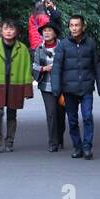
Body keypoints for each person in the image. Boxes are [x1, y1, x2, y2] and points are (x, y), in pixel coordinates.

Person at [54, 13, 100, 159]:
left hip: (86, 88)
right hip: (68, 90)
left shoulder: (91, 44)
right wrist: (56, 88)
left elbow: (98, 66)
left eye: (77, 25)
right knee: (72, 120)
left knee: (88, 116)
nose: (74, 28)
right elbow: (57, 68)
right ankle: (77, 147)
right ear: (69, 27)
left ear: (83, 27)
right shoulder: (63, 45)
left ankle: (87, 147)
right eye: (72, 25)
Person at [0, 18, 34, 152]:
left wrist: (27, 89)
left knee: (12, 114)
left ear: (16, 31)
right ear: (1, 31)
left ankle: (9, 141)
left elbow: (27, 69)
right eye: (6, 29)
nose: (9, 32)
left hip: (15, 85)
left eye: (11, 29)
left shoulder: (22, 49)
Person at [32, 19, 66, 151]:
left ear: (55, 33)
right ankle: (53, 142)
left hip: (62, 86)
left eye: (49, 30)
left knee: (61, 113)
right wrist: (44, 69)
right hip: (46, 86)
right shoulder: (39, 49)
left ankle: (60, 138)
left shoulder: (63, 46)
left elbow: (70, 64)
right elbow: (34, 66)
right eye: (44, 31)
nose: (46, 33)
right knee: (51, 113)